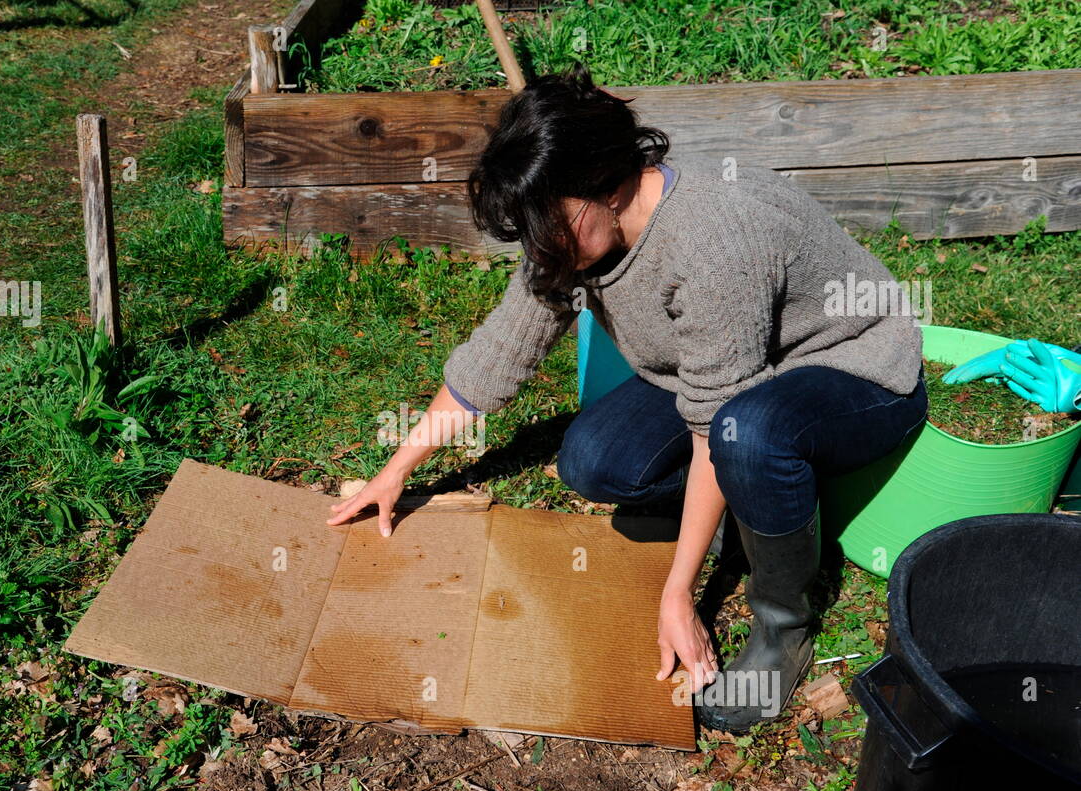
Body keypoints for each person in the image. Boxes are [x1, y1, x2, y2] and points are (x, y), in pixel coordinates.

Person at [326, 62, 928, 734]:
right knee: (592, 458)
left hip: (849, 365)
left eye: (548, 225)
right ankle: (744, 508)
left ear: (606, 187)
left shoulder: (713, 241)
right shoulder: (572, 236)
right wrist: (394, 472)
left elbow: (714, 427)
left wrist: (677, 594)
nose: (538, 246)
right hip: (729, 380)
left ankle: (785, 619)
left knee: (746, 437)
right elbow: (497, 357)